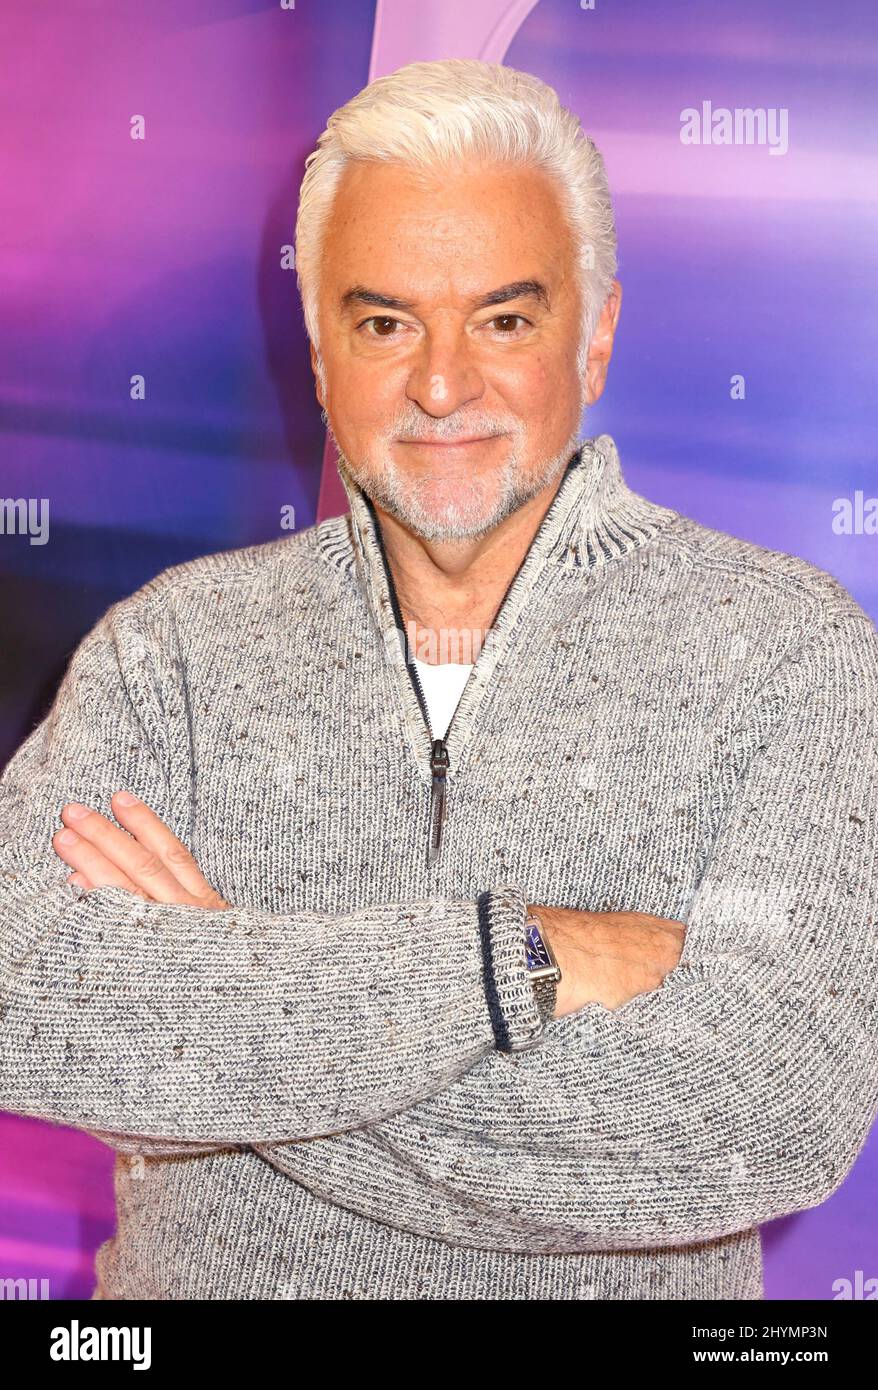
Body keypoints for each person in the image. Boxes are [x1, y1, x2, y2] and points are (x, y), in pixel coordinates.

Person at [1, 59, 876, 1301]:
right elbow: (20, 991)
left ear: (598, 333)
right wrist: (509, 961)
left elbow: (759, 1115)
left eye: (504, 319)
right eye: (384, 321)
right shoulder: (169, 654)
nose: (442, 384)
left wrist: (227, 1005)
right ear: (317, 353)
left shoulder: (791, 654)